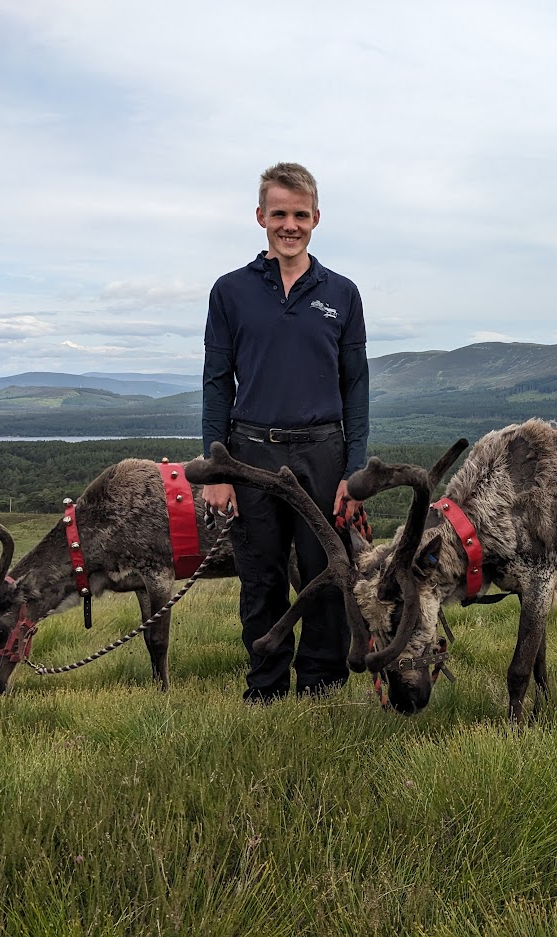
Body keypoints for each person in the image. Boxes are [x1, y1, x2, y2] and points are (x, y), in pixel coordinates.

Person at [200, 162, 369, 701]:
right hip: (251, 453)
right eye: (279, 214)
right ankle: (267, 687)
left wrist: (355, 468)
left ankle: (321, 687)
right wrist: (217, 468)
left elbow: (356, 387)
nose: (289, 224)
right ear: (260, 217)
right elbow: (215, 381)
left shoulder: (341, 293)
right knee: (261, 578)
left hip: (323, 450)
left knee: (325, 571)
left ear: (316, 218)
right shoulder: (230, 292)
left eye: (300, 214)